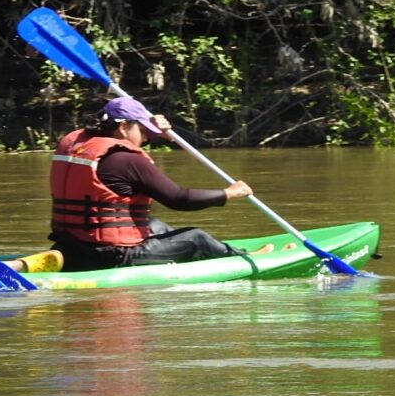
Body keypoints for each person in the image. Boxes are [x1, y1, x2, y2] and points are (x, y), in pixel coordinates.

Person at [48, 97, 261, 272]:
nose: (145, 139)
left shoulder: (78, 148)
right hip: (112, 256)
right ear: (123, 127)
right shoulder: (128, 160)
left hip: (73, 245)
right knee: (197, 238)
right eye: (144, 132)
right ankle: (240, 259)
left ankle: (222, 251)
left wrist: (155, 131)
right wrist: (229, 193)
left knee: (153, 224)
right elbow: (179, 199)